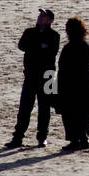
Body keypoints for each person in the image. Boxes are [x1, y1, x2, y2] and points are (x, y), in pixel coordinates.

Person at [5, 9, 59, 148]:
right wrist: (40, 46)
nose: (40, 17)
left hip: (48, 76)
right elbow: (22, 45)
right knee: (25, 107)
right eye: (40, 15)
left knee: (45, 109)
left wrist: (36, 47)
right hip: (31, 75)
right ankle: (18, 137)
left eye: (43, 16)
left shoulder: (54, 35)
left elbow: (51, 52)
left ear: (49, 20)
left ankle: (42, 137)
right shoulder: (29, 32)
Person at [56, 17, 89, 152]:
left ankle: (75, 141)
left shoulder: (68, 48)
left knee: (70, 115)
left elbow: (61, 69)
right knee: (83, 113)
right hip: (84, 84)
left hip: (69, 86)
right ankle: (84, 139)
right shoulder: (86, 47)